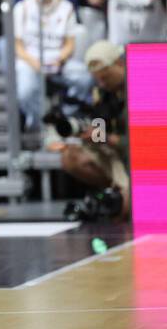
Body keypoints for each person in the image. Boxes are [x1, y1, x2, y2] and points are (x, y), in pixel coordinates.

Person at [56, 40, 131, 216]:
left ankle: (123, 195)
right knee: (71, 157)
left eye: (105, 77)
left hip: (135, 159)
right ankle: (111, 190)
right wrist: (90, 133)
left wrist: (110, 138)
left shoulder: (138, 89)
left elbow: (147, 142)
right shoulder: (102, 93)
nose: (102, 83)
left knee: (125, 209)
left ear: (120, 64)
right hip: (114, 156)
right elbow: (99, 136)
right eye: (97, 79)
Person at [12, 0, 90, 128]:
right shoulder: (21, 7)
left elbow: (70, 43)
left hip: (58, 59)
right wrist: (34, 62)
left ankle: (68, 115)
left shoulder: (66, 7)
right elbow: (17, 46)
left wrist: (60, 59)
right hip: (30, 59)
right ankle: (41, 122)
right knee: (24, 91)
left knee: (85, 78)